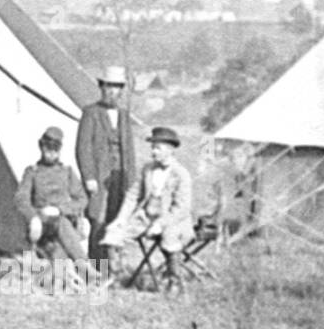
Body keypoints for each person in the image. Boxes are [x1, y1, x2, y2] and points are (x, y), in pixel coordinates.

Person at [101, 126, 195, 287]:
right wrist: (121, 218)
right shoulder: (147, 169)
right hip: (145, 218)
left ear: (170, 150)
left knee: (169, 236)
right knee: (112, 232)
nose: (153, 151)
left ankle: (174, 281)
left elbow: (182, 208)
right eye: (153, 147)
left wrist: (160, 224)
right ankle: (117, 276)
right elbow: (132, 196)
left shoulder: (181, 174)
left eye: (157, 148)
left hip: (173, 221)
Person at [75, 65, 136, 268]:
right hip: (99, 177)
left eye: (116, 87)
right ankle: (94, 268)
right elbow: (82, 148)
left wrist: (131, 181)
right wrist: (89, 177)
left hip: (120, 175)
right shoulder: (91, 113)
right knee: (97, 220)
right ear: (101, 87)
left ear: (121, 90)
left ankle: (112, 268)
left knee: (116, 219)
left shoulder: (124, 115)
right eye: (108, 86)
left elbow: (129, 150)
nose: (111, 91)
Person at [15, 125, 88, 263]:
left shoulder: (67, 172)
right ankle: (87, 270)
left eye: (55, 149)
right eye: (47, 149)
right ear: (41, 148)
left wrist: (61, 209)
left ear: (60, 150)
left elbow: (82, 199)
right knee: (60, 224)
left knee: (59, 253)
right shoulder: (32, 172)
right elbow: (21, 199)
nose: (51, 153)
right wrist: (33, 217)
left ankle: (78, 276)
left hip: (65, 222)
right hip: (42, 223)